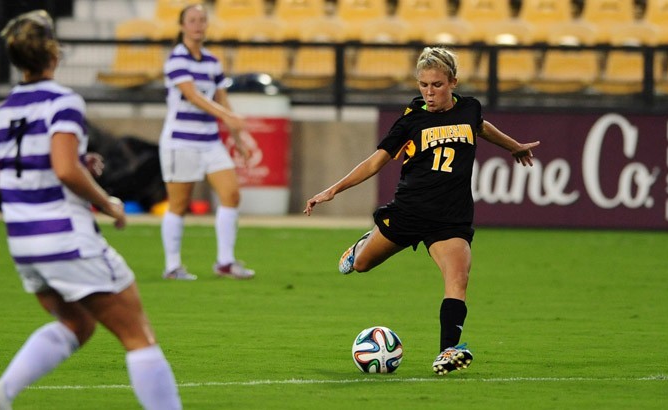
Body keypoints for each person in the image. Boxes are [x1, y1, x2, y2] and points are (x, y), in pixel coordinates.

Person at [0, 11, 181, 410]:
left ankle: (1, 392)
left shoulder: (5, 110)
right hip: (65, 236)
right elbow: (64, 168)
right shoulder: (63, 101)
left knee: (76, 323)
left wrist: (74, 164)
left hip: (23, 242)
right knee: (138, 335)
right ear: (53, 53)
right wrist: (109, 204)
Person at [304, 47, 540, 375]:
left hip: (451, 217)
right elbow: (376, 161)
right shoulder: (411, 121)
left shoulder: (470, 109)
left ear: (453, 82)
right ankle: (361, 246)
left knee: (457, 279)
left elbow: (482, 127)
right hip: (409, 211)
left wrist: (514, 146)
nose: (429, 92)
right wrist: (333, 189)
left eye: (437, 85)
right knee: (361, 265)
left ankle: (448, 351)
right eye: (423, 85)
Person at [157, 3, 256, 280]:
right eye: (192, 20)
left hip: (210, 141)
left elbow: (222, 99)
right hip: (181, 141)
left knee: (231, 194)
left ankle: (225, 261)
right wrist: (227, 116)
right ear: (182, 26)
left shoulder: (212, 61)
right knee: (179, 203)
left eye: (202, 20)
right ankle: (172, 266)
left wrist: (238, 138)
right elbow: (193, 96)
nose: (198, 24)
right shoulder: (176, 58)